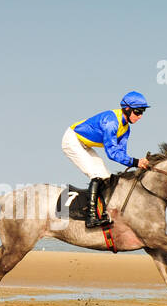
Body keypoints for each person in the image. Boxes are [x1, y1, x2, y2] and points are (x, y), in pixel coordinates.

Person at [62, 91, 152, 228]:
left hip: (84, 144)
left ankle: (100, 211)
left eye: (142, 112)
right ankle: (91, 217)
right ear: (127, 109)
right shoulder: (111, 123)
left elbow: (121, 153)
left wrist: (138, 163)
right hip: (72, 140)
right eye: (138, 112)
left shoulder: (126, 129)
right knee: (96, 175)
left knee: (106, 176)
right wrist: (136, 162)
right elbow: (112, 153)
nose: (140, 116)